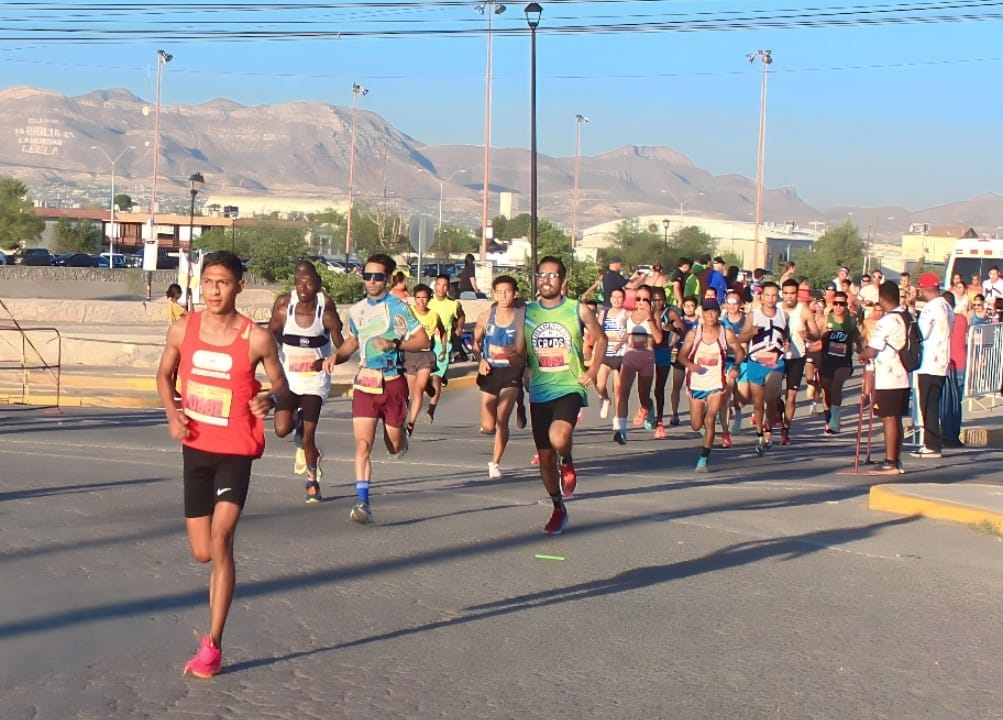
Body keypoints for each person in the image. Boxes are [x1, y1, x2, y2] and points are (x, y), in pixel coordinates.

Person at [155, 251, 288, 679]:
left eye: (223, 283)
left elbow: (283, 385)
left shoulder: (256, 338)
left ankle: (212, 645)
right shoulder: (183, 329)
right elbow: (163, 375)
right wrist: (172, 413)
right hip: (196, 448)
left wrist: (270, 398)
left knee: (221, 539)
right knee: (202, 552)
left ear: (239, 287)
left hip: (236, 450)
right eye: (209, 282)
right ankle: (212, 625)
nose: (214, 290)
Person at [322, 253, 429, 524]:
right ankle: (363, 502)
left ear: (388, 279)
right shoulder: (357, 310)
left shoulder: (398, 308)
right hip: (365, 384)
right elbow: (353, 341)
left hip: (392, 383)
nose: (371, 281)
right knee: (362, 445)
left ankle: (400, 435)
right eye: (367, 276)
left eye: (377, 277)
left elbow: (423, 340)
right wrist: (337, 356)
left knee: (394, 445)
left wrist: (395, 344)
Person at [525, 255, 606, 534]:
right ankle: (558, 507)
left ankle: (567, 459)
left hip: (569, 385)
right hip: (539, 391)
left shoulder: (577, 309)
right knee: (545, 458)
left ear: (563, 281)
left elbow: (601, 338)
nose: (546, 280)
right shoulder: (527, 312)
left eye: (552, 275)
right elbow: (517, 346)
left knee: (559, 436)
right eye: (541, 275)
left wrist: (593, 369)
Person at [267, 260, 344, 502]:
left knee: (308, 437)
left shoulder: (325, 311)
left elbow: (342, 348)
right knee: (281, 430)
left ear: (317, 286)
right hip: (290, 380)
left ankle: (312, 480)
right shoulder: (283, 308)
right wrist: (275, 353)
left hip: (315, 383)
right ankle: (298, 426)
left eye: (308, 283)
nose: (303, 288)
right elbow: (269, 335)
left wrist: (330, 360)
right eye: (299, 283)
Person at [679, 298, 745, 472]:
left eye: (713, 311)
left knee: (710, 420)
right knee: (696, 425)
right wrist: (691, 365)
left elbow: (740, 352)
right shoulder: (694, 334)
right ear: (702, 313)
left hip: (716, 383)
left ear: (718, 313)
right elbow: (681, 356)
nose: (710, 315)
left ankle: (703, 459)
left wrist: (736, 366)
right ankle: (702, 414)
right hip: (696, 384)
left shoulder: (726, 333)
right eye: (707, 311)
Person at [473, 275, 526, 479]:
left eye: (508, 292)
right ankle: (520, 400)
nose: (504, 296)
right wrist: (480, 360)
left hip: (512, 371)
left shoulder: (522, 318)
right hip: (491, 371)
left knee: (502, 419)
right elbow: (475, 343)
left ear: (515, 293)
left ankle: (494, 463)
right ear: (494, 294)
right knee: (488, 425)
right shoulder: (485, 316)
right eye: (499, 292)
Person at [859, 280, 909, 475]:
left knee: (888, 418)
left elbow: (872, 350)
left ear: (882, 298)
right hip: (902, 374)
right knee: (895, 418)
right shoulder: (906, 316)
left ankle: (890, 462)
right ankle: (896, 459)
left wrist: (861, 354)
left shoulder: (887, 321)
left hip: (888, 375)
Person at [738, 281, 789, 455]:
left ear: (778, 296)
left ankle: (769, 429)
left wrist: (787, 343)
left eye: (774, 295)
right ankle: (760, 433)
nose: (771, 298)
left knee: (771, 397)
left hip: (776, 362)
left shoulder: (783, 315)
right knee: (758, 403)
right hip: (756, 361)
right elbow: (741, 338)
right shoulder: (753, 315)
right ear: (762, 296)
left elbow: (786, 334)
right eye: (767, 295)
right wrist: (750, 333)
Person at [612, 284, 663, 443]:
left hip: (647, 360)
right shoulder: (629, 314)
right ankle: (622, 430)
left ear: (650, 301)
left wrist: (649, 317)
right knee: (623, 392)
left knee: (643, 395)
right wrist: (619, 345)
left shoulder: (655, 315)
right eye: (638, 298)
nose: (641, 302)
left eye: (645, 299)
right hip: (630, 358)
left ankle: (648, 407)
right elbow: (628, 333)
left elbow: (659, 339)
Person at [912, 272, 953, 459]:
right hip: (942, 360)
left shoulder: (931, 307)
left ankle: (931, 444)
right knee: (933, 403)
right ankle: (932, 442)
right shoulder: (947, 306)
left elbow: (922, 332)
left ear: (925, 289)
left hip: (929, 361)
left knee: (927, 404)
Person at [778, 278, 820, 444]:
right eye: (786, 293)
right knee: (773, 395)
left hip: (797, 357)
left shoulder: (804, 310)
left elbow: (816, 334)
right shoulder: (775, 308)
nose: (789, 297)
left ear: (797, 294)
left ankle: (785, 431)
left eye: (792, 293)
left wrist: (808, 335)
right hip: (778, 357)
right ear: (782, 293)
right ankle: (778, 412)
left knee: (791, 396)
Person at [403, 283, 446, 436]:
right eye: (418, 298)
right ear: (414, 299)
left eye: (424, 298)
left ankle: (411, 423)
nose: (421, 301)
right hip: (410, 354)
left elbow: (443, 331)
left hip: (426, 355)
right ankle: (428, 383)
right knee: (412, 392)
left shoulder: (434, 315)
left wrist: (443, 349)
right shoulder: (409, 312)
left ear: (429, 299)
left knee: (419, 389)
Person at [818, 291, 862, 434]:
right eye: (835, 303)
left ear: (846, 305)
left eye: (841, 304)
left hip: (843, 361)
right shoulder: (825, 320)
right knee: (827, 390)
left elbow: (857, 339)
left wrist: (862, 353)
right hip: (827, 360)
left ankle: (835, 420)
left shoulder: (851, 321)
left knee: (836, 387)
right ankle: (828, 418)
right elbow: (816, 338)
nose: (838, 307)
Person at [426, 274, 465, 422]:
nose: (441, 288)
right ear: (434, 286)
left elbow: (461, 316)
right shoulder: (427, 302)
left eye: (444, 286)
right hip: (426, 345)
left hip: (443, 346)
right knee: (424, 378)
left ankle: (431, 409)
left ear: (448, 287)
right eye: (438, 285)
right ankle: (441, 377)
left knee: (435, 378)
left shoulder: (453, 304)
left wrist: (459, 327)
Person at [593, 286, 628, 425]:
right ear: (610, 298)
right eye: (614, 297)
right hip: (606, 354)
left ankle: (617, 418)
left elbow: (629, 332)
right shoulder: (604, 313)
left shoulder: (626, 314)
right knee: (600, 384)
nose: (616, 300)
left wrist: (621, 343)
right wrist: (595, 349)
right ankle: (605, 399)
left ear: (623, 299)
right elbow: (598, 333)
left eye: (620, 297)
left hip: (621, 354)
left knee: (618, 389)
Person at [940, 290, 967, 448]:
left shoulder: (943, 320)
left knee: (945, 401)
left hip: (947, 362)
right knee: (957, 402)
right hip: (961, 363)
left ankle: (946, 434)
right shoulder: (962, 319)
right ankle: (954, 435)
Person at [669, 295, 700, 427]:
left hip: (694, 356)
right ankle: (674, 413)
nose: (689, 308)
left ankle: (697, 413)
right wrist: (671, 347)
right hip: (680, 355)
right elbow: (674, 338)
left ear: (696, 307)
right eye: (686, 306)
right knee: (676, 385)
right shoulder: (679, 321)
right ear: (683, 307)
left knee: (695, 387)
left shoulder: (700, 321)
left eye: (692, 306)